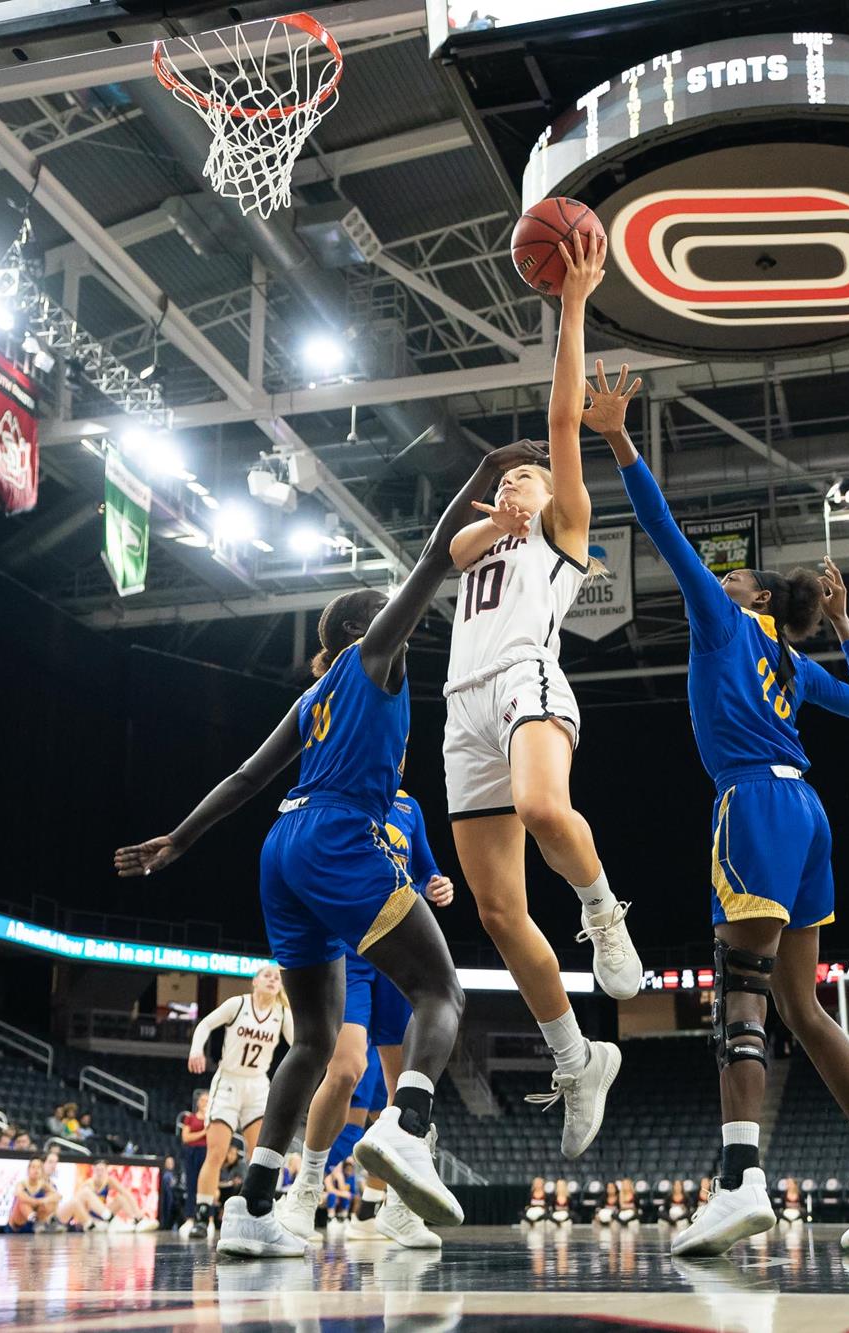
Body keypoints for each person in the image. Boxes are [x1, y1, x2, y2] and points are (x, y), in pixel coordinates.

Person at [114, 439, 548, 1260]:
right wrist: (487, 469)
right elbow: (433, 558)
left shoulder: (313, 694)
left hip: (282, 841)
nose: (403, 616)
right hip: (340, 833)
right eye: (385, 608)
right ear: (362, 624)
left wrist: (180, 836)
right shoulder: (370, 658)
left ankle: (251, 1208)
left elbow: (245, 777)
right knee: (441, 990)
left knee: (310, 1041)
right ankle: (408, 1127)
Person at [591, 361, 849, 1260]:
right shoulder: (797, 665)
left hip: (751, 806)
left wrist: (620, 437)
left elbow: (661, 529)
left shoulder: (724, 622)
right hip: (808, 811)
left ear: (756, 598)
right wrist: (848, 626)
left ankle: (740, 1185)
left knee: (739, 1003)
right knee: (801, 1007)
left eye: (737, 577)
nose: (722, 578)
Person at [442, 234, 632, 1164]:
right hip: (460, 708)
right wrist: (491, 513)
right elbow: (448, 551)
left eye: (530, 475)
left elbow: (560, 423)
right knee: (495, 911)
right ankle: (577, 1055)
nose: (517, 477)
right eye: (507, 475)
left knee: (543, 804)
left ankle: (602, 912)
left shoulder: (561, 528)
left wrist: (572, 305)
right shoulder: (481, 537)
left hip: (527, 677)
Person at [274, 789, 454, 1251]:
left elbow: (425, 867)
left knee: (403, 1088)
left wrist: (437, 882)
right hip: (351, 953)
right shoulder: (344, 793)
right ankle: (305, 1190)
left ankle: (396, 1208)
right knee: (346, 1068)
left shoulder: (412, 808)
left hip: (398, 948)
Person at [182, 966, 293, 1237]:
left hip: (258, 1084)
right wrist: (196, 1049)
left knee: (261, 1155)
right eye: (266, 975)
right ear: (254, 981)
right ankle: (202, 1216)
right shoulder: (238, 1004)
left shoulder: (282, 1014)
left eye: (276, 977)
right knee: (217, 1153)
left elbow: (300, 1044)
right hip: (229, 1082)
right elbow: (205, 1023)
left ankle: (258, 1210)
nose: (272, 979)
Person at [176, 1090, 210, 1238]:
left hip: (207, 1151)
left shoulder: (212, 1120)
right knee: (191, 1185)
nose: (205, 1103)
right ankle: (189, 1218)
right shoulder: (190, 1118)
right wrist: (203, 1133)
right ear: (198, 1102)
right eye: (203, 1100)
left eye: (207, 1100)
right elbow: (186, 1137)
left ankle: (208, 1219)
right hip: (192, 1152)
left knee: (207, 1187)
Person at [6, 1158, 61, 1234]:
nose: (36, 1170)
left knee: (51, 1196)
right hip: (18, 1224)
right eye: (33, 1167)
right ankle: (34, 1219)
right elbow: (19, 1194)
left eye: (38, 1167)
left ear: (42, 1171)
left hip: (36, 1226)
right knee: (22, 1200)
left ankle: (49, 1220)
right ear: (28, 1170)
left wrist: (43, 1200)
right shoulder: (22, 1183)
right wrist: (37, 1201)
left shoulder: (44, 1184)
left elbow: (58, 1196)